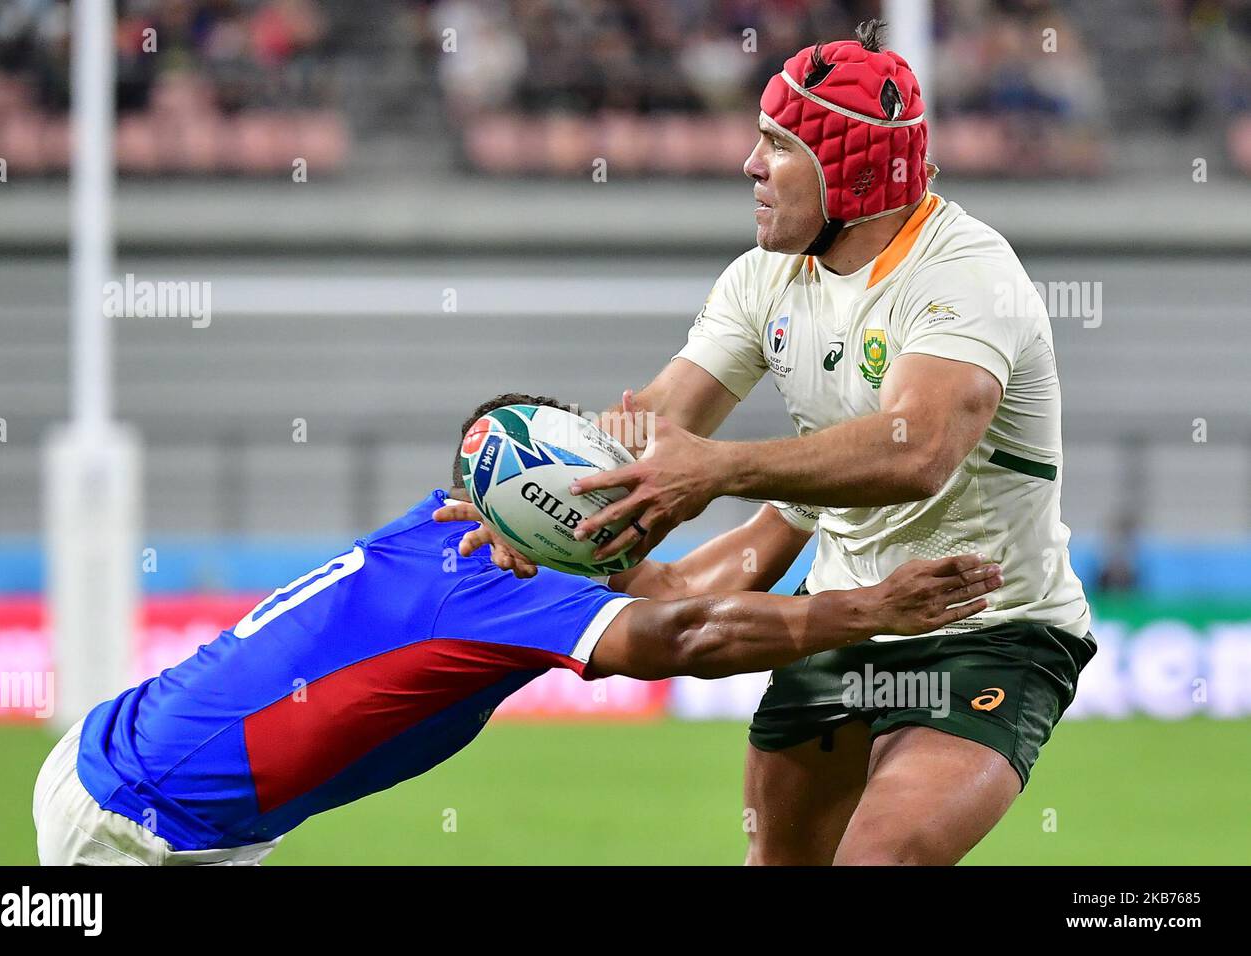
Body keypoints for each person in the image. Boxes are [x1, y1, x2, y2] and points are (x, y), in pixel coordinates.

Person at [450, 21, 1095, 866]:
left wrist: (719, 471)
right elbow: (648, 432)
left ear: (851, 167)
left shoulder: (964, 274)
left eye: (778, 143)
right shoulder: (764, 278)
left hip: (989, 630)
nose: (750, 165)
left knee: (879, 860)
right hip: (845, 625)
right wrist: (534, 511)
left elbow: (919, 451)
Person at [32, 393, 1000, 865]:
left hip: (164, 789)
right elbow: (684, 637)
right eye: (598, 495)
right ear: (545, 507)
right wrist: (868, 608)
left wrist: (815, 494)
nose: (624, 509)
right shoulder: (491, 589)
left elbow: (677, 591)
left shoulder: (469, 542)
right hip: (137, 821)